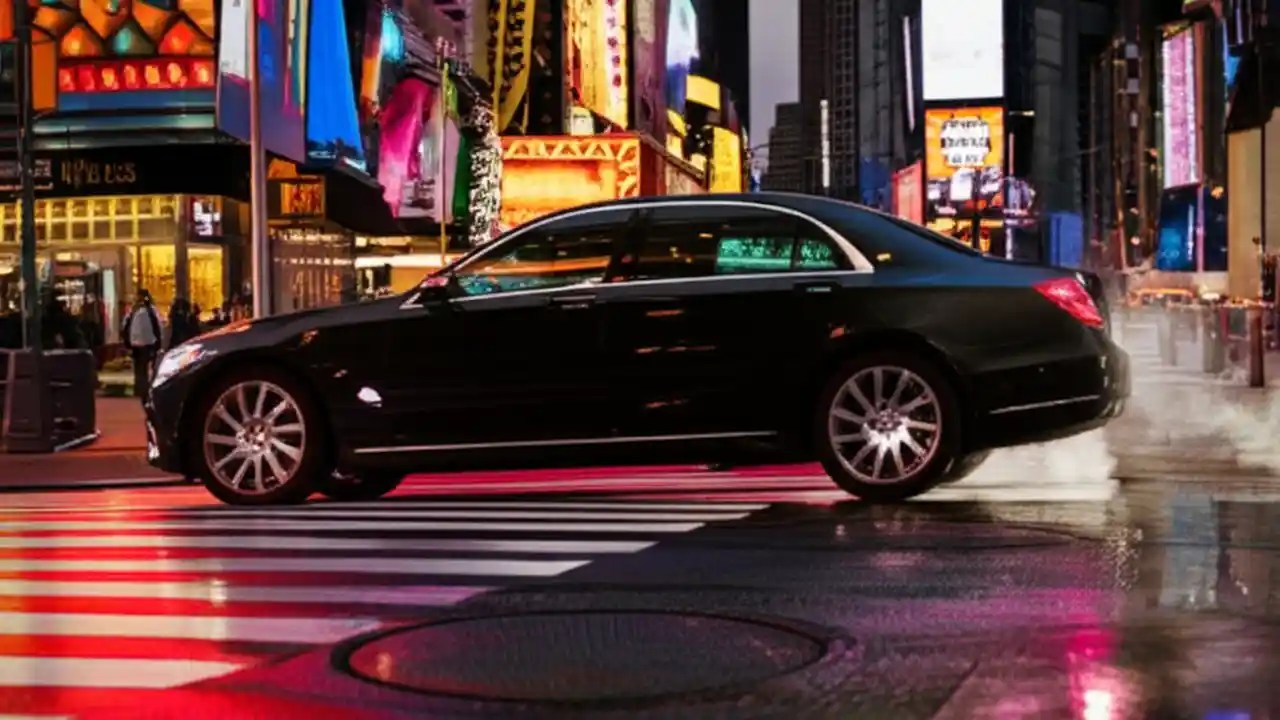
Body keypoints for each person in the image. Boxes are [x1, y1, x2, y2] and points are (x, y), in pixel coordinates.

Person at [122, 290, 162, 398]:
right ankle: (143, 389)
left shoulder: (135, 311)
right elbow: (158, 326)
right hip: (146, 343)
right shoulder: (149, 310)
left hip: (139, 343)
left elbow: (126, 326)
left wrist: (128, 343)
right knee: (143, 367)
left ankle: (140, 389)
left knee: (140, 368)